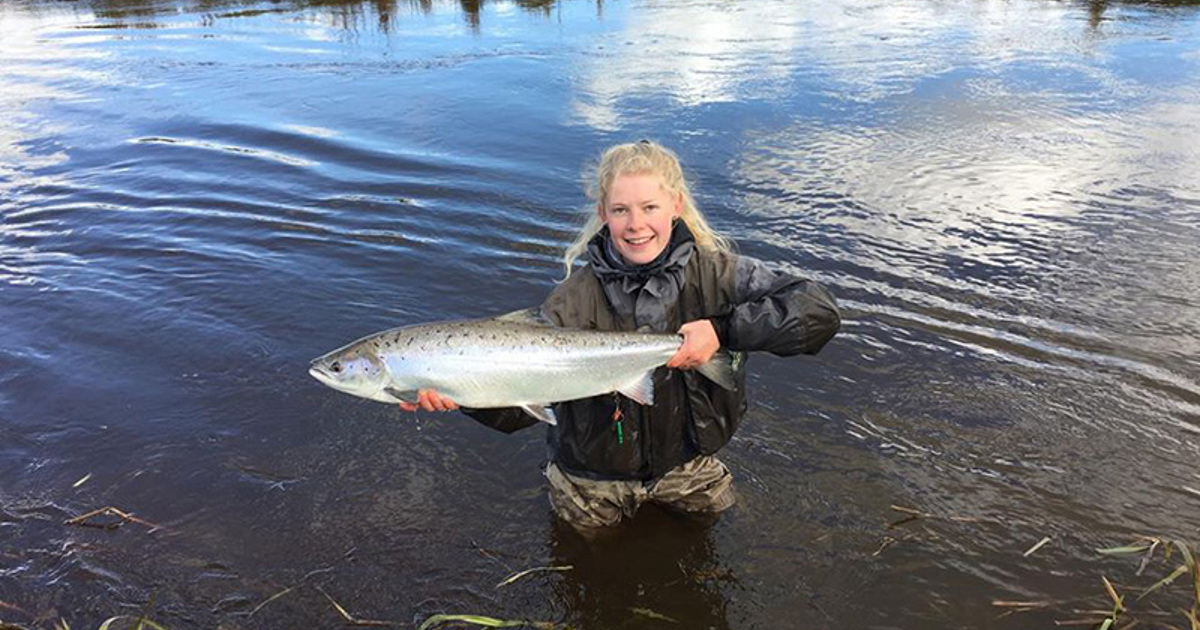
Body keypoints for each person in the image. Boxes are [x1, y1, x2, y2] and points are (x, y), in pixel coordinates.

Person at [399, 140, 840, 531]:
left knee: (722, 534)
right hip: (590, 477)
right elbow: (520, 411)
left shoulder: (718, 273)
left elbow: (818, 312)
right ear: (602, 215)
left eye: (650, 208)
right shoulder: (570, 301)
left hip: (687, 465)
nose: (636, 224)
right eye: (621, 210)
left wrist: (722, 331)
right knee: (584, 566)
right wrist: (461, 395)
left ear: (676, 206)